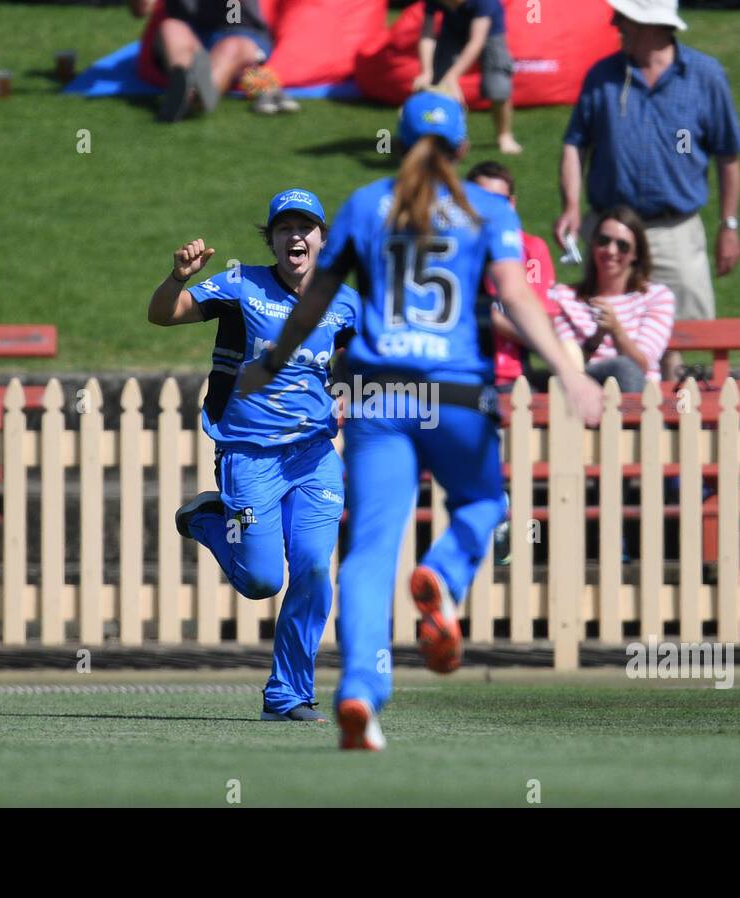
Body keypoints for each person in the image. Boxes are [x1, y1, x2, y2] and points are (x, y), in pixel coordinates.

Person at [239, 92, 603, 750]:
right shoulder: (486, 208)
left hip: (380, 395)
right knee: (485, 504)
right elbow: (515, 295)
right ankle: (444, 573)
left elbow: (316, 299)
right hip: (453, 394)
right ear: (462, 149)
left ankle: (358, 691)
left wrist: (269, 367)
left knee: (370, 553)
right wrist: (569, 370)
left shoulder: (363, 206)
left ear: (399, 143)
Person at [147, 188, 358, 722]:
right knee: (263, 581)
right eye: (284, 227)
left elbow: (360, 366)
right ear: (273, 238)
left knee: (312, 569)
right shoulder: (242, 285)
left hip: (313, 458)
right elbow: (163, 316)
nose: (295, 236)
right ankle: (209, 519)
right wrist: (178, 278)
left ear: (322, 239)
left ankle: (288, 696)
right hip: (248, 455)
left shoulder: (344, 301)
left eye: (305, 227)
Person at [554, 0, 740, 379]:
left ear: (650, 25)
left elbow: (728, 156)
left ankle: (687, 423)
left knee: (688, 342)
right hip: (610, 231)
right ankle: (602, 420)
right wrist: (572, 205)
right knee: (598, 334)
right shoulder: (602, 76)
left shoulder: (705, 76)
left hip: (675, 230)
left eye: (623, 17)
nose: (614, 23)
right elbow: (575, 144)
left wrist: (729, 225)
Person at [550, 206, 675, 393]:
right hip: (584, 385)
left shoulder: (657, 297)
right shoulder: (565, 297)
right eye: (603, 241)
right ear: (593, 245)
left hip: (639, 389)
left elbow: (642, 365)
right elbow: (569, 362)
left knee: (624, 368)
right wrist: (596, 338)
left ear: (635, 255)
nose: (611, 251)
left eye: (622, 246)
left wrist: (616, 331)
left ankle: (634, 421)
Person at [465, 160, 559, 392]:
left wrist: (494, 319)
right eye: (480, 200)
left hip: (511, 376)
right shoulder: (451, 250)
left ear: (512, 204)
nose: (490, 210)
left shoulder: (531, 249)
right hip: (459, 372)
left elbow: (542, 328)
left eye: (499, 201)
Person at [129, 0, 298, 122]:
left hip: (236, 25)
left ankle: (197, 95)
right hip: (189, 28)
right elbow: (141, 10)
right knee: (171, 27)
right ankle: (183, 83)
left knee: (231, 48)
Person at [413, 0, 521, 155]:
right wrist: (427, 71)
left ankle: (504, 135)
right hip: (452, 32)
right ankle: (440, 135)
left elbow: (476, 42)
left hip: (490, 34)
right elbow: (427, 34)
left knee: (498, 86)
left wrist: (452, 76)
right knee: (437, 85)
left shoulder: (484, 3)